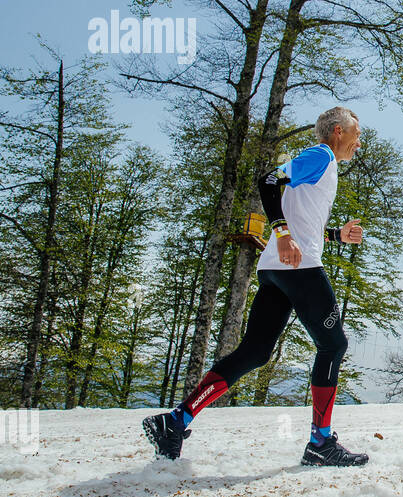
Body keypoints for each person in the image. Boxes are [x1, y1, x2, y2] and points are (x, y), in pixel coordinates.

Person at [142, 106, 369, 466]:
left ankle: (175, 422)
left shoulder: (321, 167)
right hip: (299, 267)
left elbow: (303, 223)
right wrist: (280, 233)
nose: (359, 142)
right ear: (338, 131)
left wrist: (336, 235)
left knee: (255, 351)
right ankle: (320, 443)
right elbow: (268, 180)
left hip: (277, 269)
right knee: (333, 343)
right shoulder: (321, 155)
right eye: (357, 133)